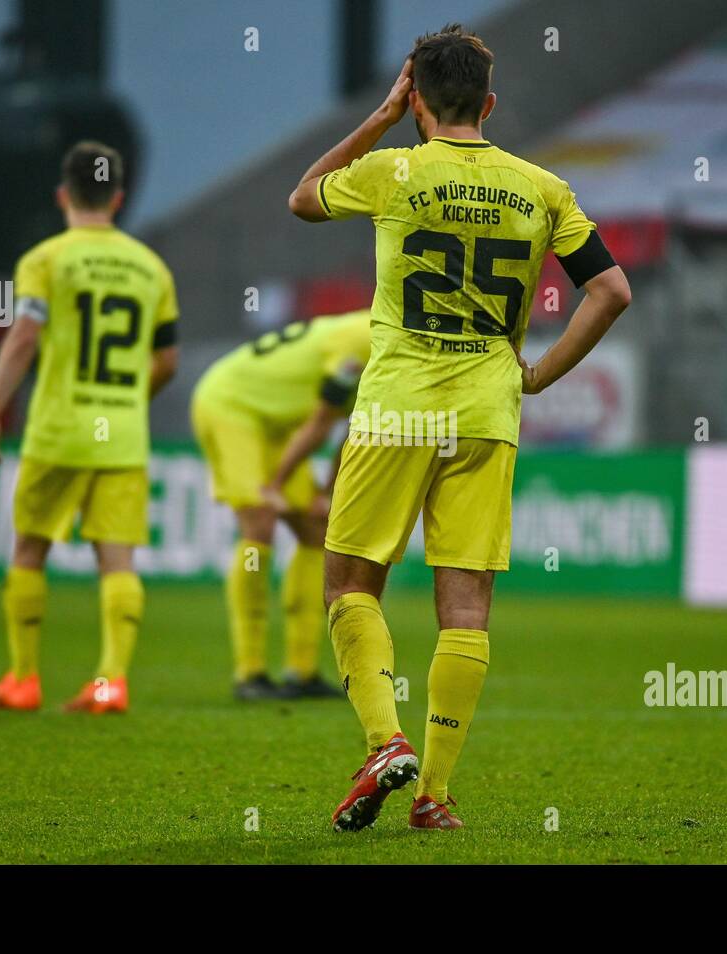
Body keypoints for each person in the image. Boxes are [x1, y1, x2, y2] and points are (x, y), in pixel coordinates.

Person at [288, 24, 632, 830]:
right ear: (489, 101)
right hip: (486, 416)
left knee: (347, 584)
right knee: (467, 609)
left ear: (415, 100)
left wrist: (377, 121)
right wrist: (538, 374)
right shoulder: (542, 188)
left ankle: (383, 741)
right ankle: (435, 795)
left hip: (396, 409)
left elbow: (303, 196)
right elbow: (610, 291)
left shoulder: (390, 172)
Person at [0, 140, 179, 714]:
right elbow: (167, 361)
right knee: (117, 559)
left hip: (60, 429)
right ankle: (111, 681)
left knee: (30, 549)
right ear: (117, 198)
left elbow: (22, 339)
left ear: (63, 195)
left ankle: (22, 679)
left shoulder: (46, 260)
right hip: (122, 435)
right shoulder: (150, 267)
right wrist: (124, 400)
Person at [191, 310, 371, 700]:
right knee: (260, 517)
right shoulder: (361, 343)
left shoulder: (387, 344)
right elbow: (323, 419)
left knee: (313, 529)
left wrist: (325, 493)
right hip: (232, 406)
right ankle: (249, 673)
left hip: (275, 423)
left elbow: (357, 430)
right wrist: (273, 484)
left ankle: (301, 671)